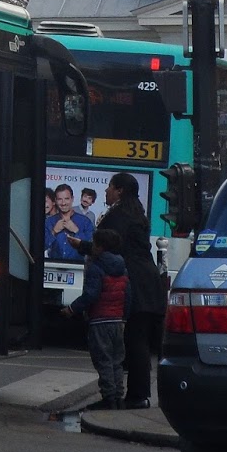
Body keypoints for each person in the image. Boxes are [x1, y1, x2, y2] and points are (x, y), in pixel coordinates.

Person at [94, 171, 167, 408]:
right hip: (149, 281)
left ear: (119, 191)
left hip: (135, 282)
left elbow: (106, 244)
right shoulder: (137, 214)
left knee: (134, 341)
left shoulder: (117, 216)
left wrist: (82, 245)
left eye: (110, 187)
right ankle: (139, 394)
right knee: (140, 340)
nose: (106, 191)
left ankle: (134, 396)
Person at [66, 226, 131, 410]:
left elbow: (91, 295)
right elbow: (128, 297)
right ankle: (118, 397)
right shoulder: (123, 269)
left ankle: (108, 398)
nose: (92, 246)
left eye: (94, 244)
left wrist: (72, 309)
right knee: (117, 361)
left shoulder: (96, 268)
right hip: (118, 322)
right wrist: (124, 318)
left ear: (100, 247)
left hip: (100, 320)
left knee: (103, 361)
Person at [44, 183, 92, 260]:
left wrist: (76, 231)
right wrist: (54, 231)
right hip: (53, 267)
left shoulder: (85, 222)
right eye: (60, 199)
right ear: (55, 201)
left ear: (72, 199)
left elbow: (91, 249)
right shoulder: (49, 222)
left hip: (78, 268)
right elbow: (41, 247)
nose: (63, 203)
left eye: (67, 199)